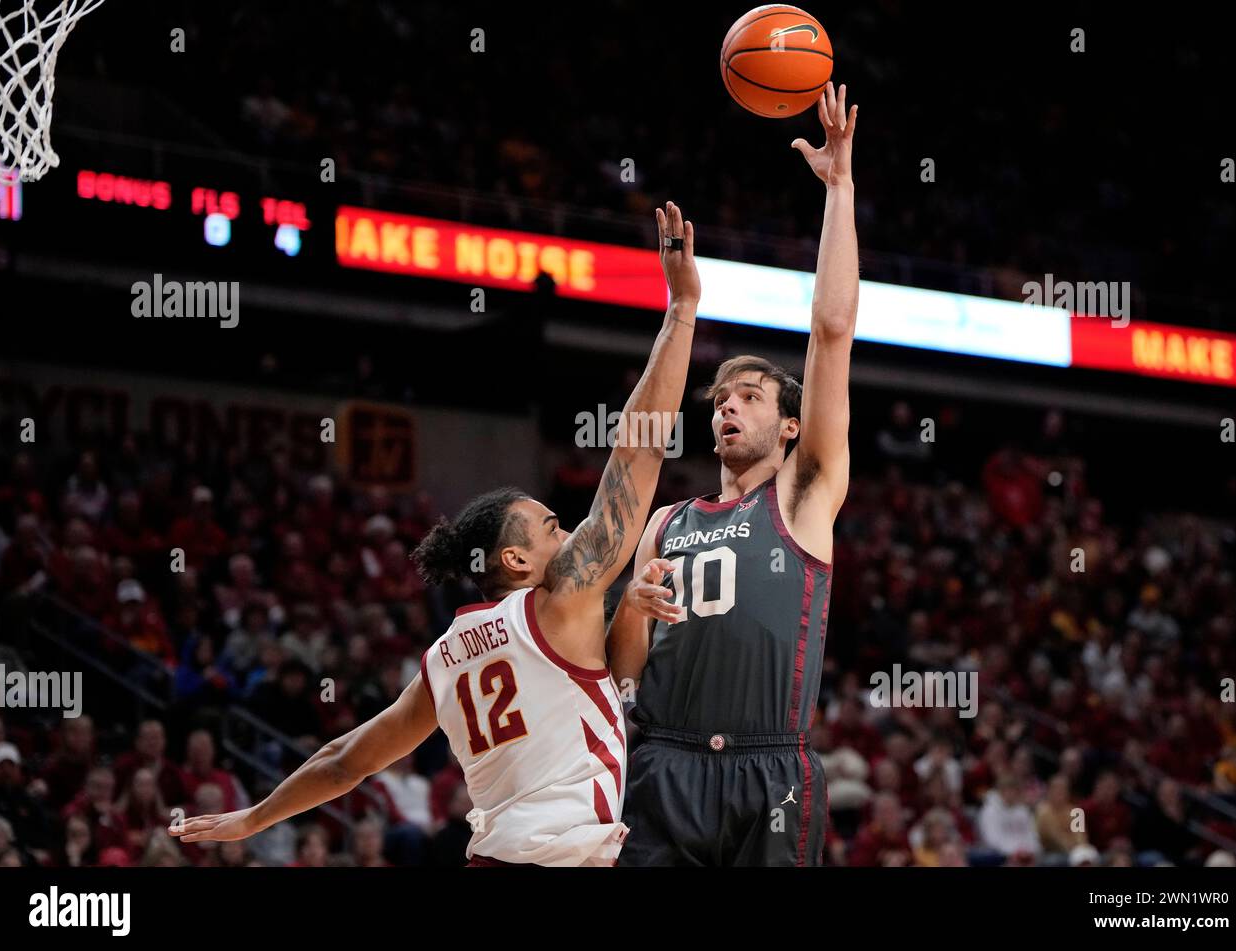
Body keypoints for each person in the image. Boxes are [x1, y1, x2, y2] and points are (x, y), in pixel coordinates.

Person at [171, 202, 701, 867]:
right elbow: (637, 451)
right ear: (516, 558)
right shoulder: (560, 599)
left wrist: (254, 817)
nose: (569, 534)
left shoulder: (446, 658)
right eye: (551, 526)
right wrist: (680, 310)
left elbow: (345, 761)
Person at [607, 84, 860, 866]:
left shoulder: (806, 494)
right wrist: (632, 611)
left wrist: (839, 191)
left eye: (749, 397)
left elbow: (831, 330)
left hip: (771, 767)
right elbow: (622, 672)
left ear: (789, 425)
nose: (728, 408)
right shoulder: (666, 523)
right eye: (720, 398)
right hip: (663, 762)